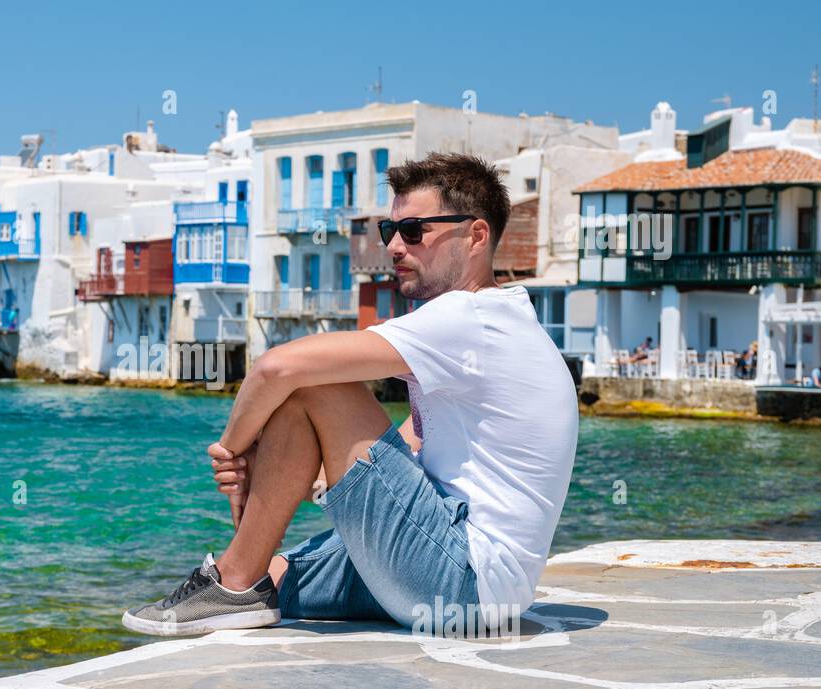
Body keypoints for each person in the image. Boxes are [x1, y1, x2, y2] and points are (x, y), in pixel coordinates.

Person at [121, 153, 579, 639]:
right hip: (465, 585)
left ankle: (232, 582)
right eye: (390, 231)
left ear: (476, 236)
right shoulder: (500, 322)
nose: (396, 247)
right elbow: (413, 440)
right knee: (276, 577)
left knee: (320, 383)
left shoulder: (470, 318)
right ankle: (244, 584)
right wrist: (304, 468)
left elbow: (276, 366)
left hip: (458, 579)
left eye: (415, 230)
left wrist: (231, 452)